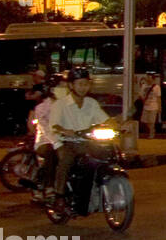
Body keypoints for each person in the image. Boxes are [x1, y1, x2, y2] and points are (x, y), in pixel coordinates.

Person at [47, 67, 118, 210]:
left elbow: (104, 119)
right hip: (66, 142)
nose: (83, 87)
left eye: (86, 84)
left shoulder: (91, 103)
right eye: (80, 84)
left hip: (86, 142)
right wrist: (64, 131)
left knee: (108, 154)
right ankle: (59, 195)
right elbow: (53, 126)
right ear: (71, 85)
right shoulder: (60, 105)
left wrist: (117, 125)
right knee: (66, 160)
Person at [140, 73, 162, 138]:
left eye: (149, 78)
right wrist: (144, 100)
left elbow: (158, 97)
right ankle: (152, 130)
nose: (148, 79)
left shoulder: (157, 87)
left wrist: (159, 107)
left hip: (153, 106)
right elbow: (141, 95)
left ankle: (151, 133)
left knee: (152, 121)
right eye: (147, 78)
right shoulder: (144, 86)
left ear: (153, 79)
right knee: (145, 121)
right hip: (146, 106)